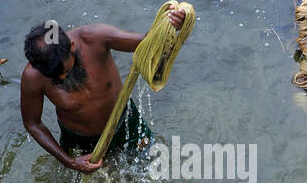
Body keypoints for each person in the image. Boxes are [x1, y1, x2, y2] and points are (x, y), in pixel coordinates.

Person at [20, 9, 186, 172]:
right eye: (54, 76)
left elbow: (147, 42)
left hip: (125, 121)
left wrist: (171, 24)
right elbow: (32, 123)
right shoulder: (32, 77)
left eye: (63, 71)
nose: (62, 78)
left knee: (156, 164)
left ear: (71, 47)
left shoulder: (94, 38)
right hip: (80, 141)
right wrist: (69, 161)